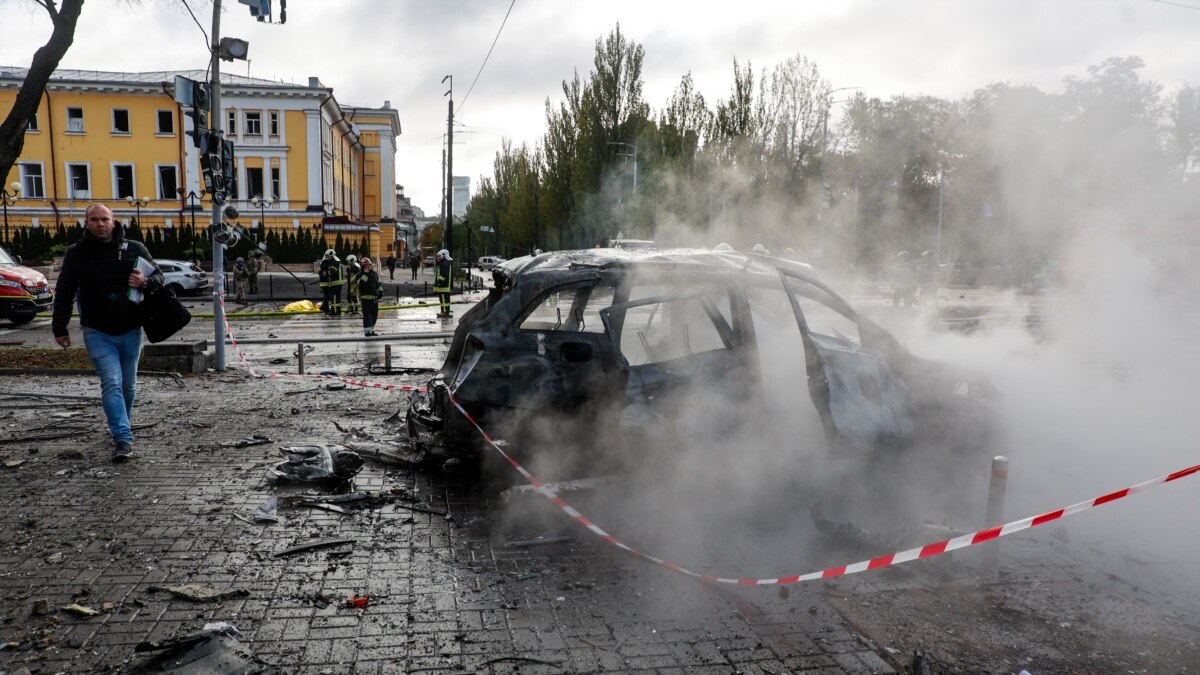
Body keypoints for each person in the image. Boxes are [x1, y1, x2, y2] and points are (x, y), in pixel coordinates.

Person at [52, 203, 164, 462]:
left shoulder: (134, 248)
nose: (100, 224)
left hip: (131, 329)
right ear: (86, 223)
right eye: (94, 220)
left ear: (114, 222)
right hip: (97, 330)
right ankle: (123, 438)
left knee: (128, 385)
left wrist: (145, 281)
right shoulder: (77, 253)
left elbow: (159, 276)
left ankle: (119, 424)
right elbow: (65, 291)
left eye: (105, 219)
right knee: (111, 383)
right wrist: (60, 327)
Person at [356, 257, 383, 336]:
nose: (368, 267)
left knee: (374, 316)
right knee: (367, 316)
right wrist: (366, 274)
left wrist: (380, 291)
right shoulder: (360, 275)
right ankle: (367, 332)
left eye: (369, 265)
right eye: (366, 266)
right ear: (362, 267)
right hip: (365, 299)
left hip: (374, 299)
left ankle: (371, 330)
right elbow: (361, 284)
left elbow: (378, 283)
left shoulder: (374, 274)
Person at [318, 249, 343, 315]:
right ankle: (330, 310)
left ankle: (332, 310)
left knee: (332, 297)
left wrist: (325, 273)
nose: (327, 258)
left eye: (328, 256)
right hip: (327, 283)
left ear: (332, 256)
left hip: (334, 283)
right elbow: (323, 272)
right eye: (327, 257)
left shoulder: (334, 262)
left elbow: (331, 272)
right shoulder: (325, 263)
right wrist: (324, 273)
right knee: (330, 297)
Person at [434, 248, 453, 318]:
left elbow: (444, 274)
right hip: (443, 285)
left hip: (443, 286)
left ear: (443, 255)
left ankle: (445, 312)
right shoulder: (443, 263)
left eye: (439, 256)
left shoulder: (445, 263)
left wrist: (439, 282)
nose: (437, 258)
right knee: (444, 299)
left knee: (444, 299)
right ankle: (444, 312)